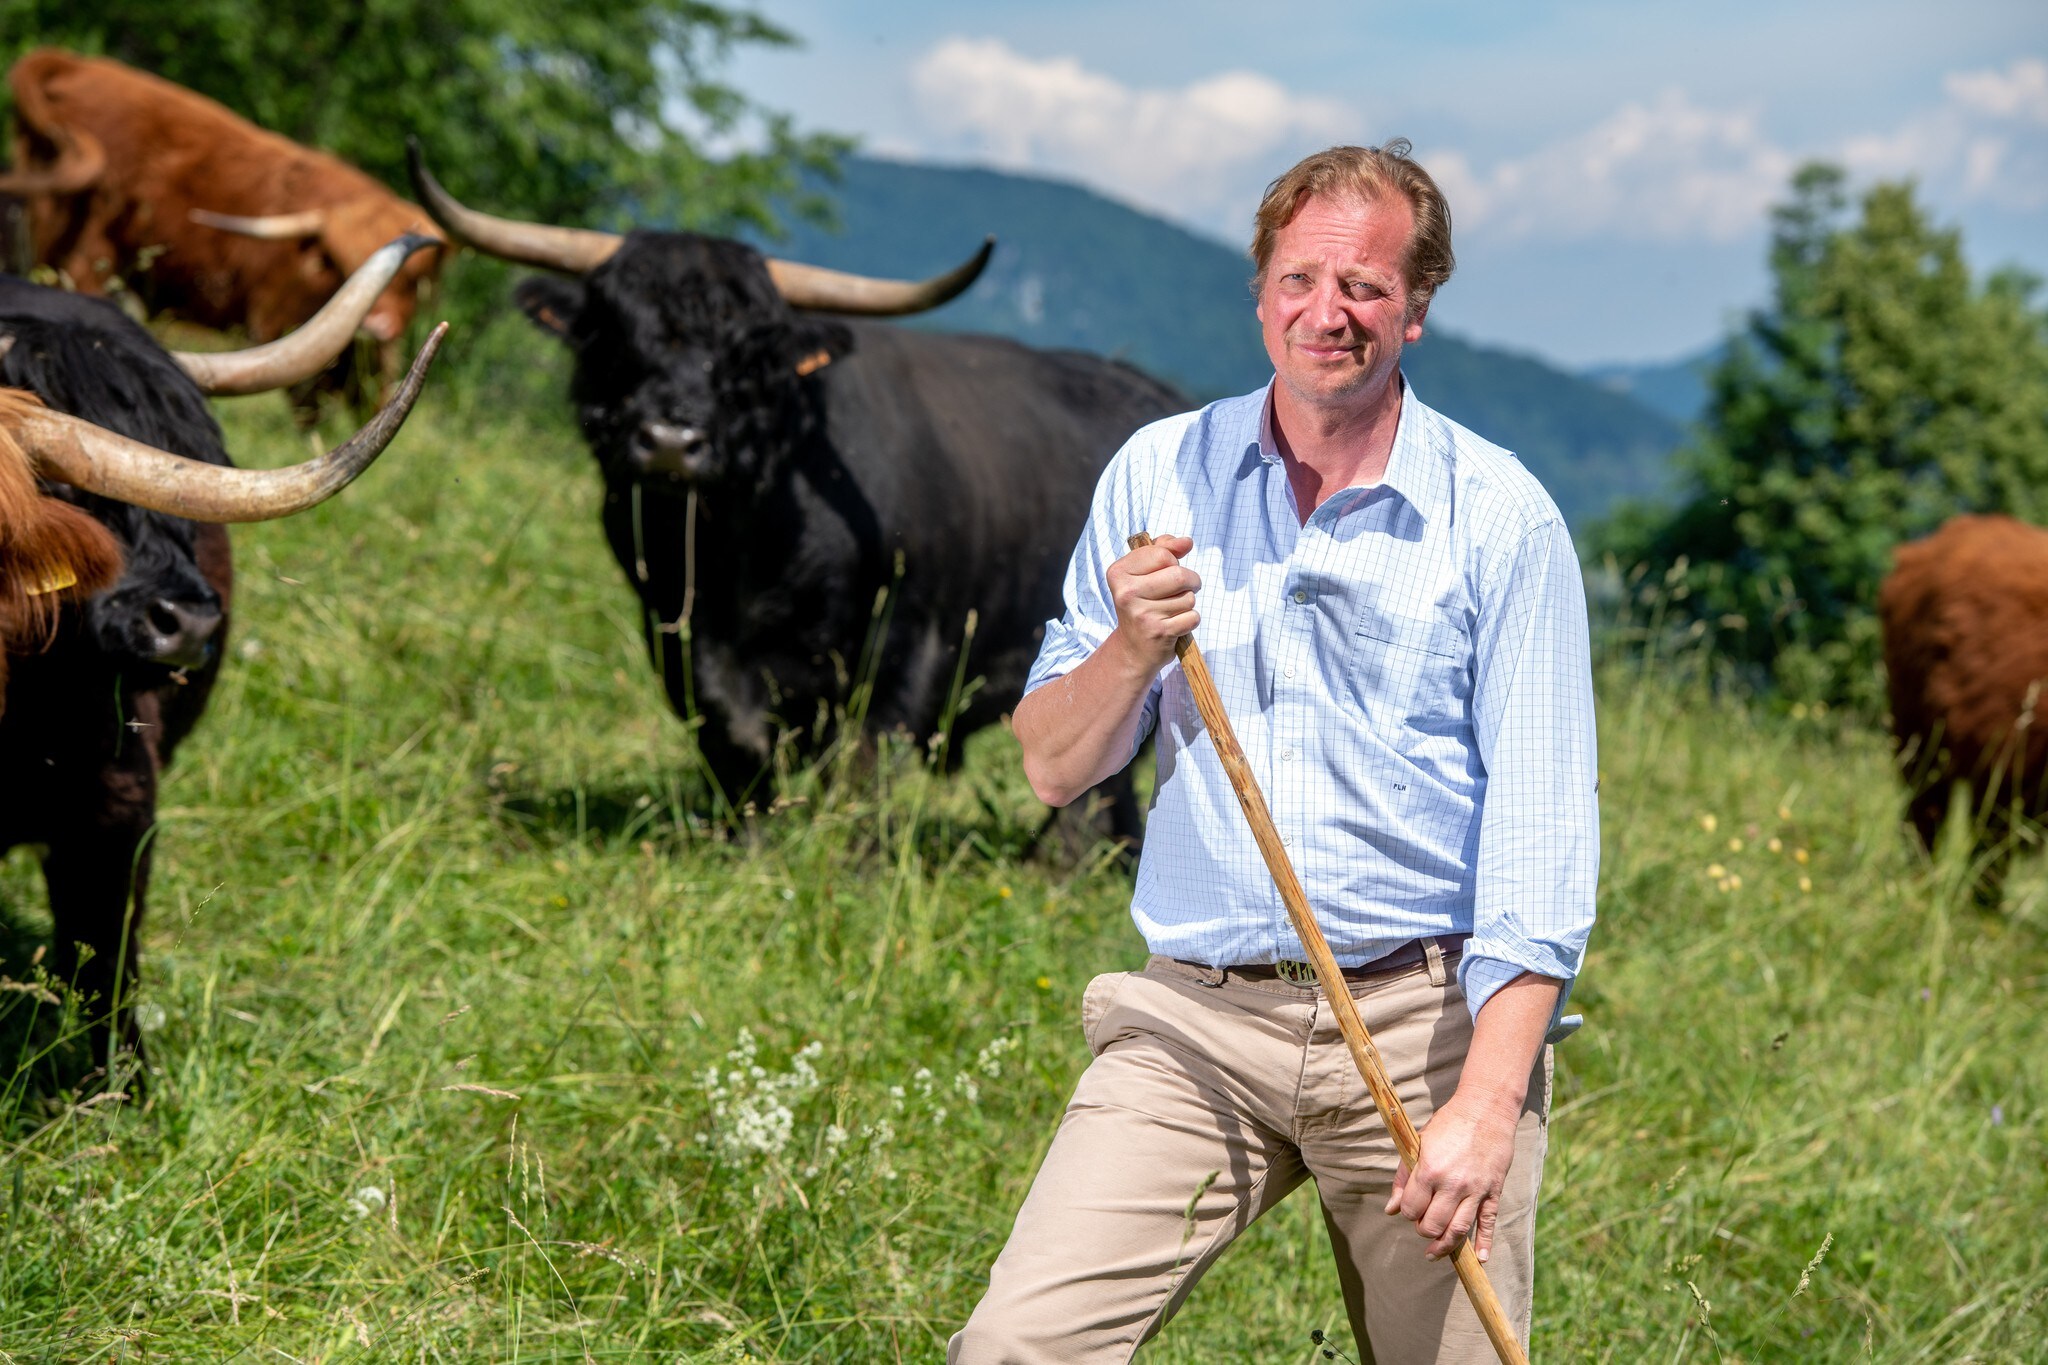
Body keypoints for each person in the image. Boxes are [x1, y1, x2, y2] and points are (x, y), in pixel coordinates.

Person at [951, 141, 1598, 1364]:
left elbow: (1542, 833)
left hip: (1420, 1028)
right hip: (1197, 1019)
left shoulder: (1498, 518)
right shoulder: (1159, 473)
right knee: (1012, 1350)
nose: (1326, 312)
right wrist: (1130, 648)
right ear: (1257, 292)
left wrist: (1484, 1106)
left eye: (1363, 286)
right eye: (1298, 279)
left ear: (1414, 309)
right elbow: (1049, 765)